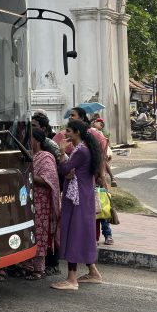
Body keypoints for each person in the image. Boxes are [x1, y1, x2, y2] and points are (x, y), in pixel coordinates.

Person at [51, 119, 104, 290]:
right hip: (83, 196)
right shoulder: (83, 149)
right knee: (83, 233)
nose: (65, 134)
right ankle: (93, 272)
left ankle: (72, 279)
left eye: (68, 131)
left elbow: (65, 169)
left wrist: (60, 152)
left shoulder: (81, 151)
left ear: (77, 133)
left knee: (73, 233)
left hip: (77, 198)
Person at [22, 128, 61, 279]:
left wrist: (28, 173)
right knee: (27, 233)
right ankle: (27, 266)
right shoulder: (29, 155)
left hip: (41, 203)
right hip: (27, 200)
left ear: (37, 140)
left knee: (39, 234)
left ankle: (39, 269)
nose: (27, 142)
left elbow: (47, 180)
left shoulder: (46, 157)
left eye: (29, 138)